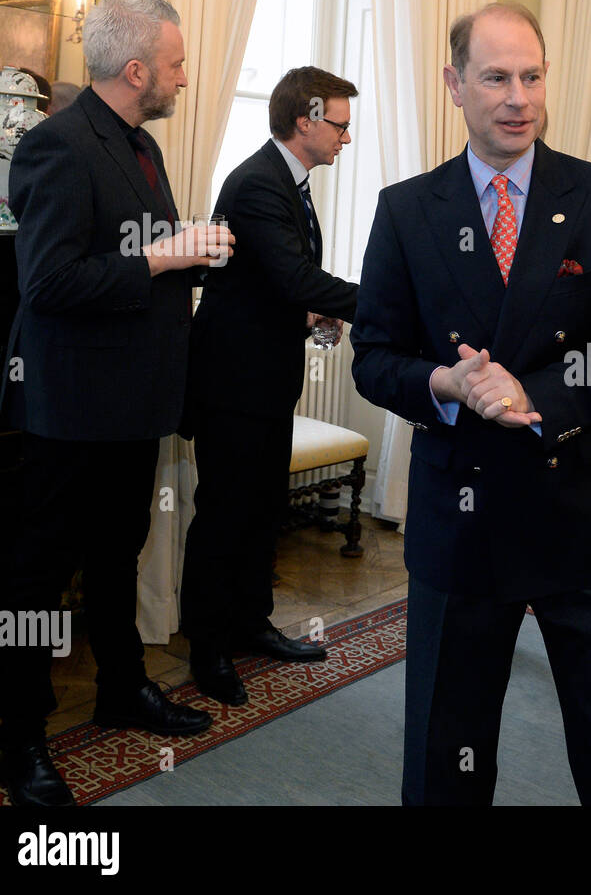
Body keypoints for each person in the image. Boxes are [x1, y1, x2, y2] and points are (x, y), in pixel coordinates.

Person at [351, 2, 591, 805]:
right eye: (496, 77)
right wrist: (445, 386)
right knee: (446, 751)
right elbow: (375, 360)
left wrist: (538, 393)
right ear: (455, 84)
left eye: (532, 75)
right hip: (463, 527)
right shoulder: (405, 210)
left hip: (583, 519)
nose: (519, 96)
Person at [0, 0, 233, 806]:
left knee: (116, 557)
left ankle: (121, 688)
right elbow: (50, 283)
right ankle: (19, 739)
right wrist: (167, 258)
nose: (184, 78)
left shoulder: (140, 146)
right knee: (36, 581)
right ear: (136, 70)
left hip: (134, 408)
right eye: (175, 65)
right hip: (68, 413)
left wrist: (194, 255)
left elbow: (135, 262)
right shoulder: (57, 146)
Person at [180, 67, 360, 705]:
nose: (346, 137)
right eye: (339, 124)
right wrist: (381, 303)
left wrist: (317, 308)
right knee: (225, 516)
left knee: (260, 511)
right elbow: (293, 278)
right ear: (305, 120)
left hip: (265, 379)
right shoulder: (259, 182)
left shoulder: (292, 181)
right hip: (233, 383)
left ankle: (250, 624)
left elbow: (280, 279)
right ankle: (207, 649)